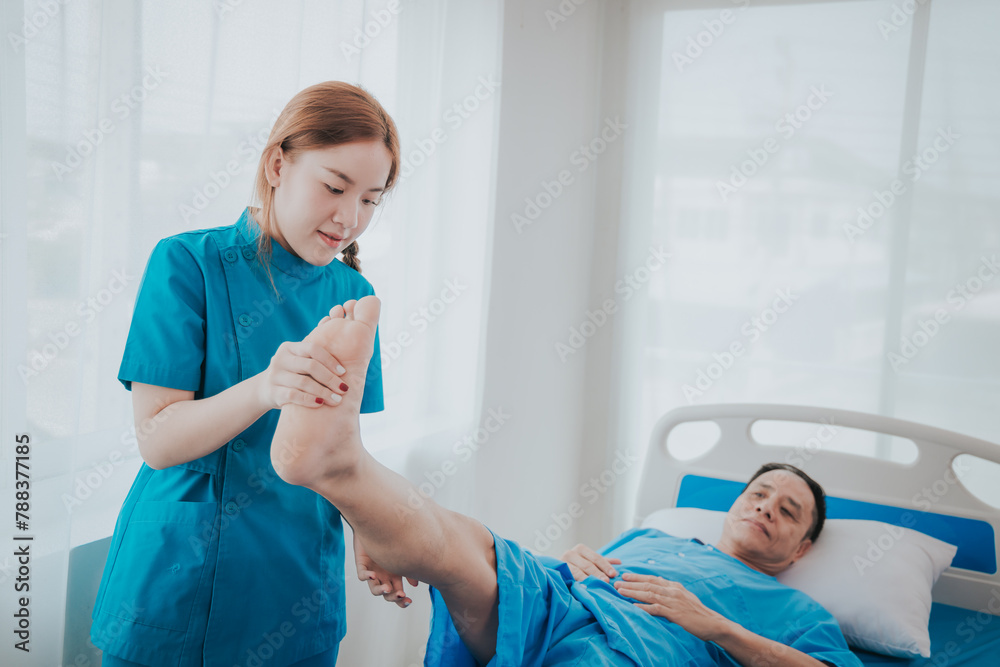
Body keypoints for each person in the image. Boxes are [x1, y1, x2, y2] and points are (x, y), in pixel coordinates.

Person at [269, 296, 864, 667]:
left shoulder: (800, 612)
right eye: (759, 494)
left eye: (788, 511)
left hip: (637, 652)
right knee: (475, 545)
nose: (767, 508)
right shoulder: (656, 539)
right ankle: (343, 468)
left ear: (802, 549)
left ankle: (341, 470)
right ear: (734, 505)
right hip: (560, 598)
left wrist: (714, 625)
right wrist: (580, 558)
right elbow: (590, 568)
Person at [90, 81, 401, 667]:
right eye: (335, 187)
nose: (349, 218)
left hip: (298, 586)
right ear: (278, 165)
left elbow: (341, 450)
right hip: (183, 579)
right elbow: (158, 440)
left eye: (369, 200)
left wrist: (370, 529)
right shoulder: (188, 263)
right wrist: (265, 387)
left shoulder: (355, 295)